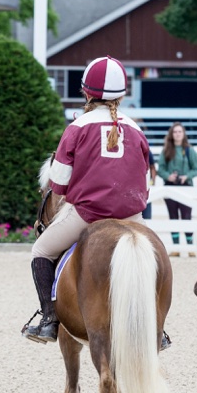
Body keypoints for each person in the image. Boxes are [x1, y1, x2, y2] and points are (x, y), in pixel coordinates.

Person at [23, 56, 151, 342]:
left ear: (86, 92)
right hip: (131, 217)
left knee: (41, 251)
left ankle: (49, 319)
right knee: (152, 258)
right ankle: (157, 328)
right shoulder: (137, 129)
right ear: (122, 94)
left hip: (88, 214)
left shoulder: (77, 127)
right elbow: (145, 185)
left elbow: (58, 184)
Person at [157, 122, 197, 247]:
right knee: (173, 216)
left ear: (183, 133)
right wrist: (168, 176)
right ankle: (176, 245)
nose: (177, 134)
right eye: (175, 132)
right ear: (171, 134)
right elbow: (161, 169)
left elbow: (195, 169)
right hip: (170, 187)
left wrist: (187, 176)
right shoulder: (166, 150)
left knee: (187, 216)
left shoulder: (189, 150)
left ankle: (189, 245)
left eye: (180, 131)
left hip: (186, 187)